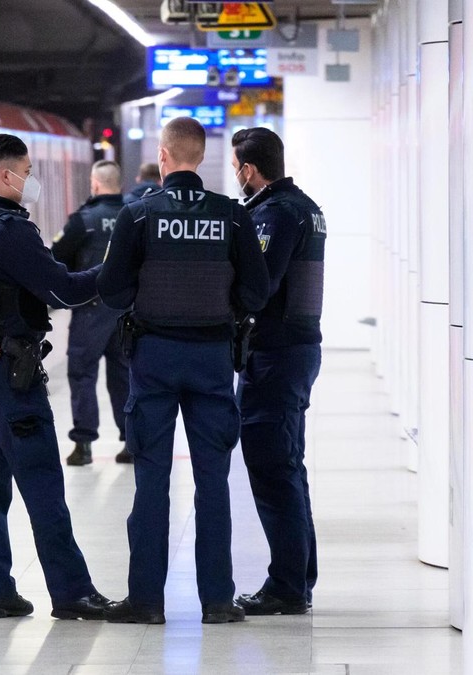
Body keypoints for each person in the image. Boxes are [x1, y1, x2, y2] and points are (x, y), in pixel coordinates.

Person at [97, 117, 269, 625]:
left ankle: (147, 601)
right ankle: (217, 600)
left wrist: (141, 300)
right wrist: (224, 310)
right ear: (203, 156)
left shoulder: (138, 215)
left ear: (163, 156)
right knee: (213, 479)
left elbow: (111, 289)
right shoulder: (232, 217)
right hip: (214, 358)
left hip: (152, 357)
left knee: (151, 479)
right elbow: (256, 293)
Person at [0, 133, 112, 621]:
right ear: (5, 176)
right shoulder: (10, 229)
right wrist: (116, 269)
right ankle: (72, 593)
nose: (31, 180)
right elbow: (62, 290)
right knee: (41, 481)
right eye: (27, 170)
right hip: (10, 374)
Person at [230, 127, 326, 616]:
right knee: (288, 464)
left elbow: (259, 287)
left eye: (236, 168)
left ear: (248, 168)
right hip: (295, 349)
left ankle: (287, 585)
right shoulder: (306, 206)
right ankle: (297, 576)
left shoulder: (274, 214)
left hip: (276, 356)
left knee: (271, 466)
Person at [51, 160, 131, 466]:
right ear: (119, 184)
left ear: (95, 185)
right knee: (123, 374)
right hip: (125, 310)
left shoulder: (84, 220)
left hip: (90, 310)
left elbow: (57, 259)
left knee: (83, 374)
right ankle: (130, 442)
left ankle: (84, 444)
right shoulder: (133, 215)